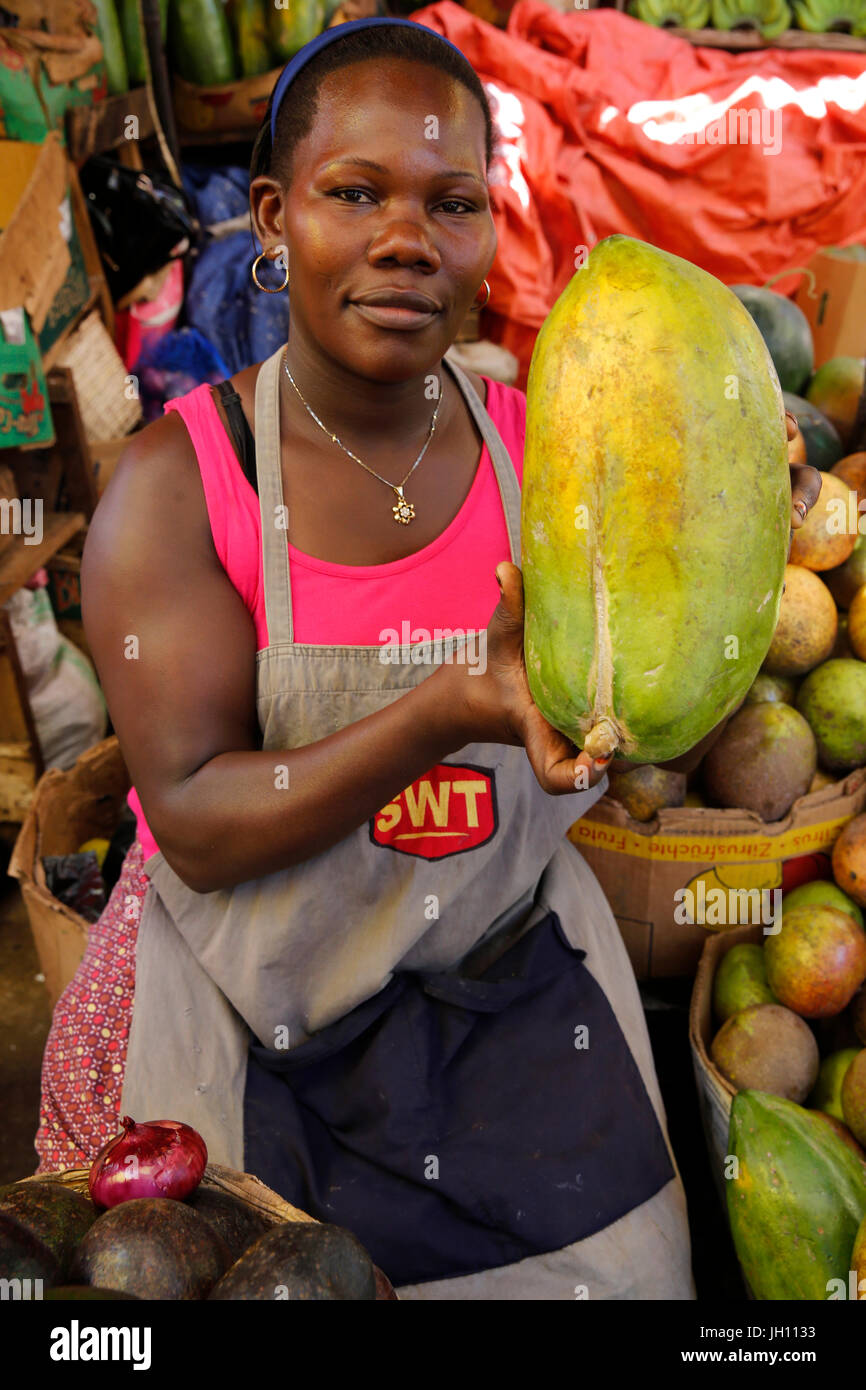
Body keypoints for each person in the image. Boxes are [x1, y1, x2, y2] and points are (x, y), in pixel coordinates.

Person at [36, 18, 819, 1299]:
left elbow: (643, 723)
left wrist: (719, 519)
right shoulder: (183, 483)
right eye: (355, 194)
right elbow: (193, 822)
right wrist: (446, 705)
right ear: (275, 223)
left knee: (632, 1281)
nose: (407, 239)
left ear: (490, 231)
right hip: (256, 999)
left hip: (497, 985)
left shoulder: (555, 452)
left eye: (451, 201)